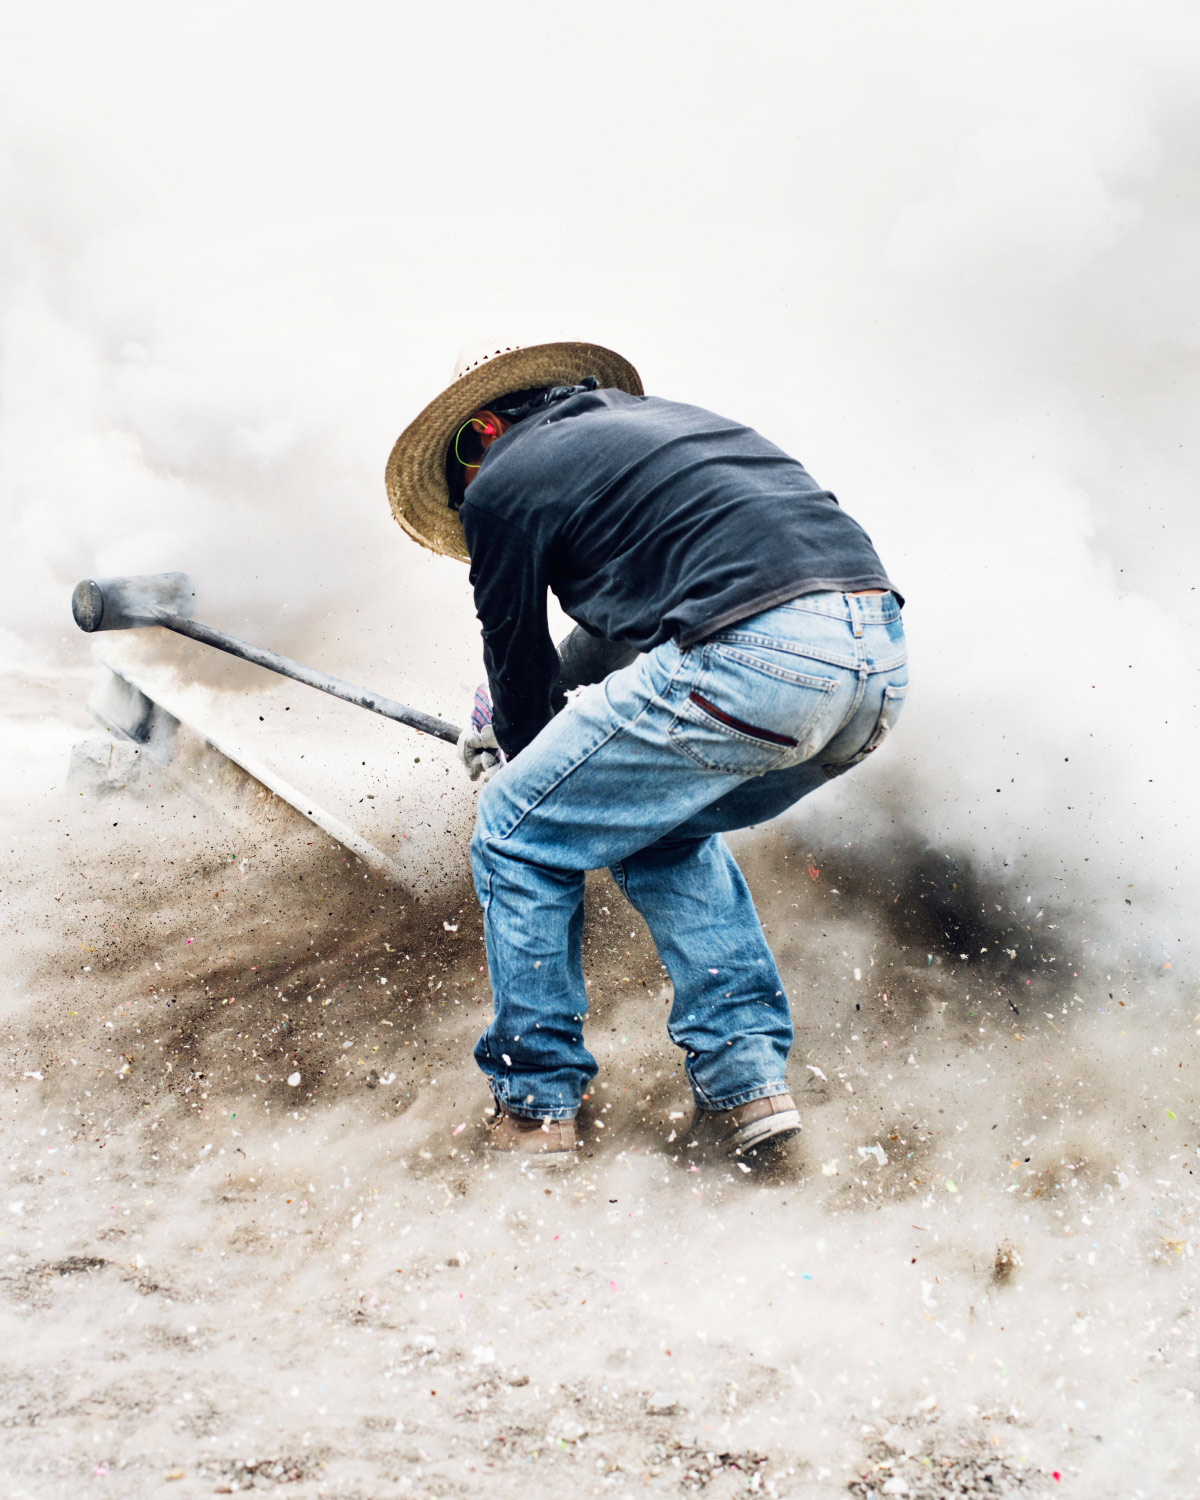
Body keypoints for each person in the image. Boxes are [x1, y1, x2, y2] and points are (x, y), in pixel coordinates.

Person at [386, 342, 907, 1166]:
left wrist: (516, 757)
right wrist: (541, 737)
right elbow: (609, 635)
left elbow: (514, 661)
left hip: (750, 655)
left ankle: (534, 1111)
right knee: (657, 830)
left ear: (483, 428)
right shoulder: (665, 438)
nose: (469, 512)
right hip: (873, 671)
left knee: (515, 827)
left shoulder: (505, 480)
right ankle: (748, 1090)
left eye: (461, 492)